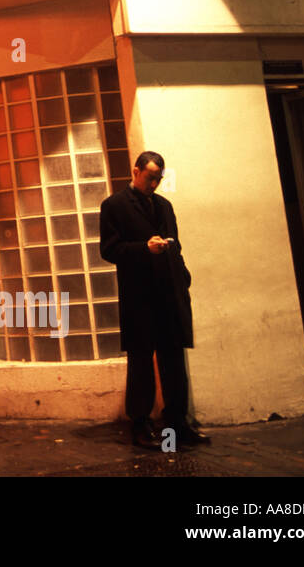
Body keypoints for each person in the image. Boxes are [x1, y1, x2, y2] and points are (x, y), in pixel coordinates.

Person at [100, 150, 209, 449]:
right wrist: (144, 249)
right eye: (150, 178)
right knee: (141, 361)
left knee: (174, 359)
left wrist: (182, 274)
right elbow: (109, 250)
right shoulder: (114, 206)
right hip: (139, 295)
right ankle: (140, 423)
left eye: (158, 179)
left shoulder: (165, 206)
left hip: (170, 292)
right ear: (136, 172)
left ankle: (178, 422)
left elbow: (177, 244)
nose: (154, 185)